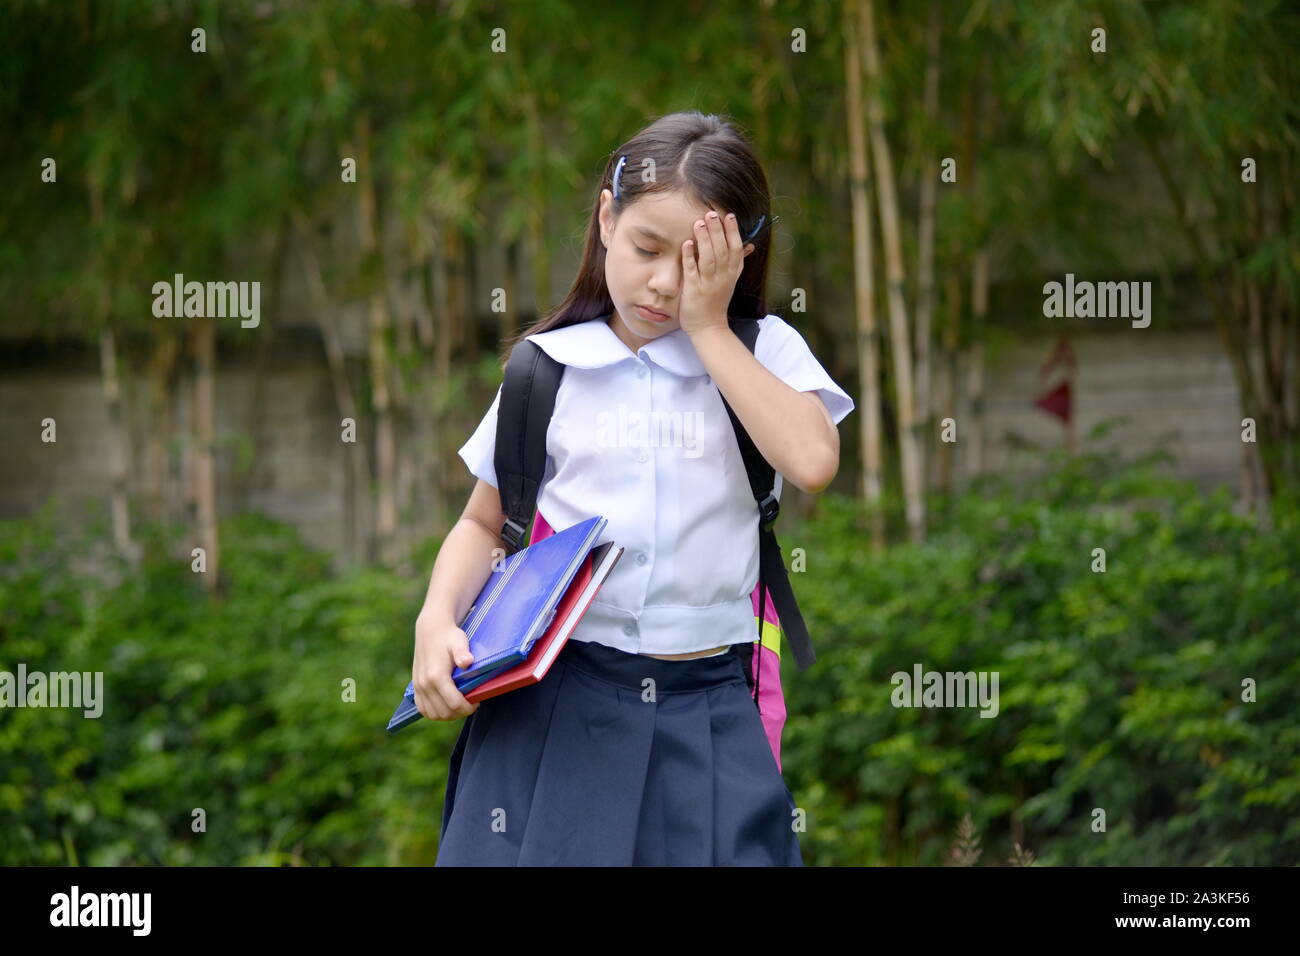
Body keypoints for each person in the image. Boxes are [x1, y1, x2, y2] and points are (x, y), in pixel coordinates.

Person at [413, 110, 855, 866]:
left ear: (736, 259)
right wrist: (433, 620)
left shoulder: (761, 352)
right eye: (647, 248)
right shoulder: (546, 369)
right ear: (607, 218)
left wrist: (711, 329)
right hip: (556, 701)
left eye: (693, 261)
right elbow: (484, 523)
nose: (662, 283)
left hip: (710, 708)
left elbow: (813, 459)